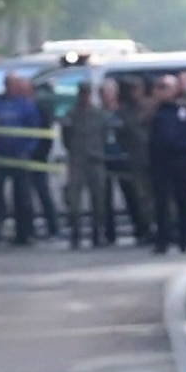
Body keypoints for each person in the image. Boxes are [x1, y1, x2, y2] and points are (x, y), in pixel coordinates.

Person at [0, 70, 51, 245]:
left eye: (14, 84)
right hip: (0, 157)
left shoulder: (26, 106)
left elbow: (34, 131)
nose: (11, 88)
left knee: (22, 198)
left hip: (20, 156)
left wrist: (28, 150)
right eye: (9, 84)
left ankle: (24, 233)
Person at [146, 74, 186, 254]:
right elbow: (143, 123)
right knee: (161, 202)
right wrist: (154, 102)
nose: (164, 91)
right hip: (160, 161)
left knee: (183, 201)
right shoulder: (155, 110)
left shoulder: (184, 109)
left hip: (180, 160)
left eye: (167, 87)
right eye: (161, 87)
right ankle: (162, 241)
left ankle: (184, 239)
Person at [61, 75, 110, 248]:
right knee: (74, 201)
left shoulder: (99, 115)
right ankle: (76, 235)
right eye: (82, 93)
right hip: (77, 161)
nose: (84, 96)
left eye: (87, 93)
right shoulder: (71, 114)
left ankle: (97, 234)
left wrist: (97, 151)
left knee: (98, 199)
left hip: (95, 160)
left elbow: (104, 136)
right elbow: (65, 138)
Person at [113, 77, 154, 247]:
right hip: (134, 160)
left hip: (153, 159)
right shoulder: (124, 112)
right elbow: (123, 134)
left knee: (154, 197)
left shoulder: (151, 107)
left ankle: (159, 228)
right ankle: (144, 230)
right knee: (139, 198)